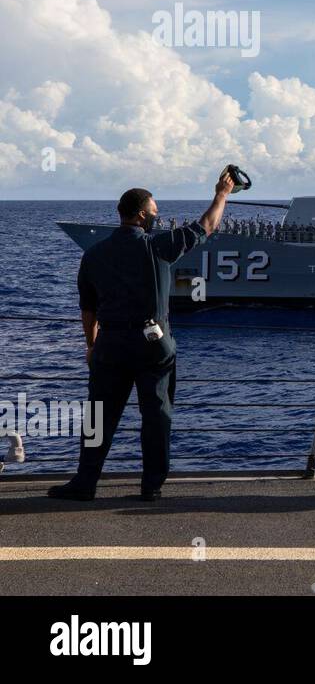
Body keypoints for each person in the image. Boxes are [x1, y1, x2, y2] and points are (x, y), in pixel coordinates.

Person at [47, 169, 235, 501]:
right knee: (156, 416)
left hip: (110, 345)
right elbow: (206, 226)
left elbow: (87, 308)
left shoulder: (93, 255)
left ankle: (85, 482)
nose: (155, 217)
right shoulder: (157, 247)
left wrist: (91, 345)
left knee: (98, 417)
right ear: (140, 215)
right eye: (153, 213)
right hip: (153, 344)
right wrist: (221, 194)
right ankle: (151, 485)